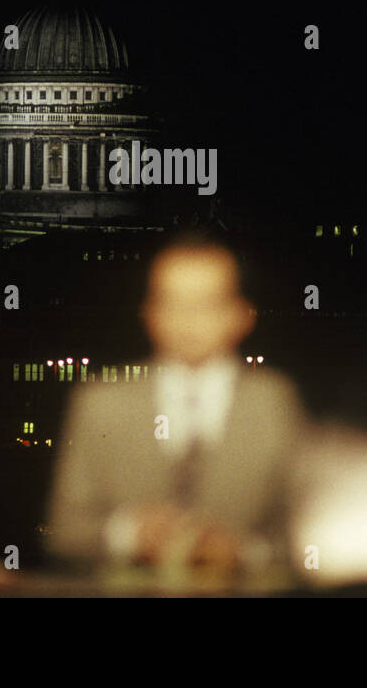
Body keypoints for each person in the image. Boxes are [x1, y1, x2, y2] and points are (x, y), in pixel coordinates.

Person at [46, 232, 306, 581]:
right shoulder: (100, 401)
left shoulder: (274, 402)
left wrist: (241, 550)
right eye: (172, 302)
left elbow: (304, 531)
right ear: (149, 313)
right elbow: (63, 531)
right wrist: (130, 534)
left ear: (241, 314)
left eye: (206, 303)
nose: (187, 320)